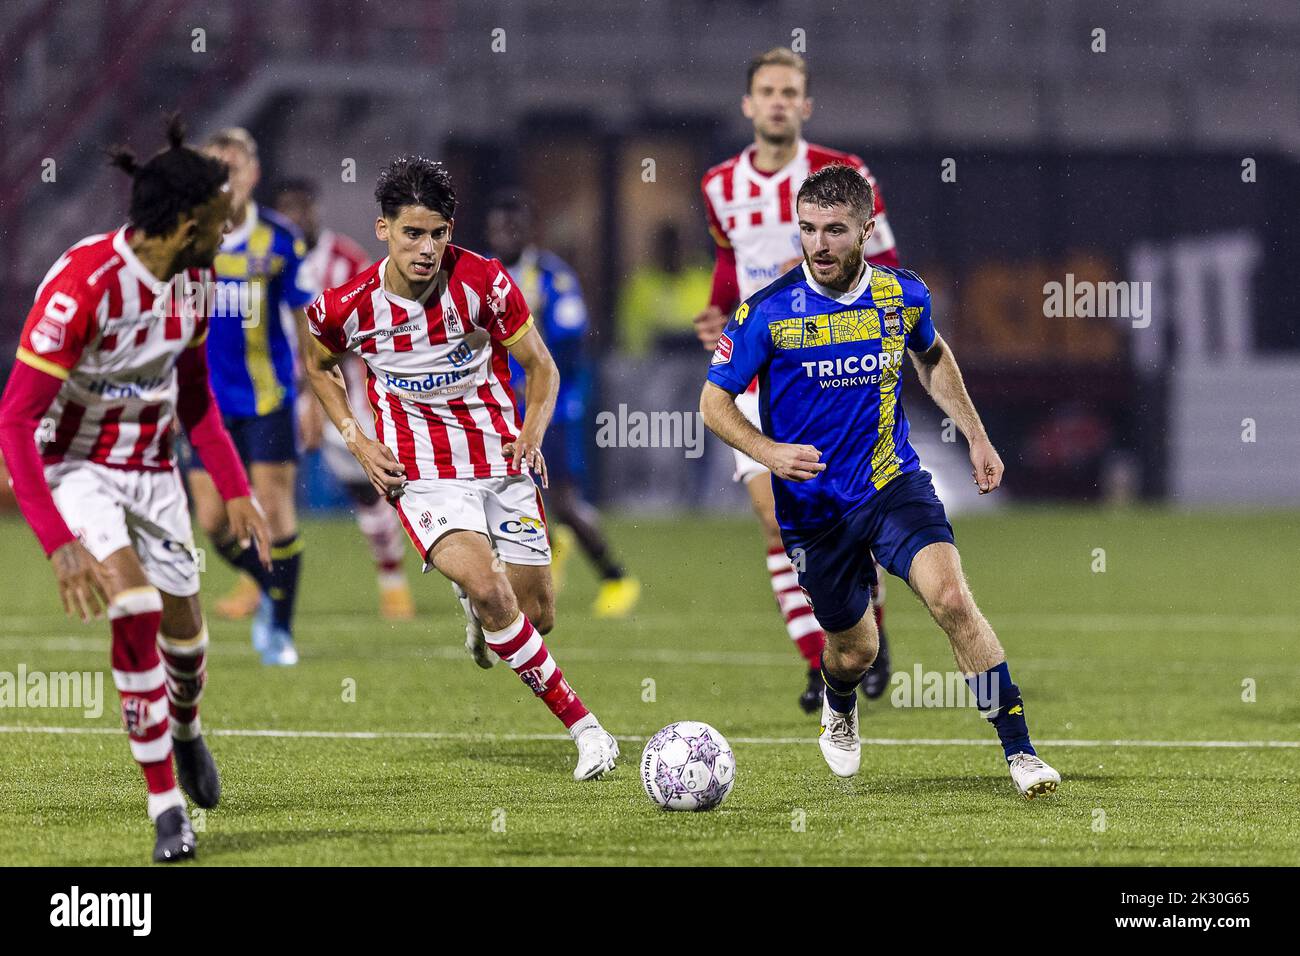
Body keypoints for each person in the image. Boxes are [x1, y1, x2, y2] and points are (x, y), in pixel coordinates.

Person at [699, 164, 1061, 798]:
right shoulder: (766, 313)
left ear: (867, 229)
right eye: (807, 229)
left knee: (951, 600)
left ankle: (1022, 754)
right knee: (855, 651)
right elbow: (713, 402)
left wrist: (976, 435)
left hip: (893, 485)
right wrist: (769, 452)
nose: (819, 245)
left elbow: (933, 355)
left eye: (835, 230)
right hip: (814, 510)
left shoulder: (903, 295)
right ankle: (840, 703)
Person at [0, 116, 273, 860]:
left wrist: (234, 485)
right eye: (219, 220)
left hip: (153, 472)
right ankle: (166, 811)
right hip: (76, 469)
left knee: (186, 643)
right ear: (187, 222)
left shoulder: (197, 281)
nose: (228, 231)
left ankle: (186, 730)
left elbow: (194, 400)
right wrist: (58, 544)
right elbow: (16, 422)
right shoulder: (83, 290)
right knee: (135, 605)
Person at [300, 156, 619, 780]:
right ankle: (589, 732)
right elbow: (317, 363)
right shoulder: (350, 305)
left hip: (500, 458)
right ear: (383, 229)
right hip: (420, 472)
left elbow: (542, 367)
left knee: (539, 614)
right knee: (492, 588)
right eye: (412, 233)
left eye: (438, 233)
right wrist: (357, 439)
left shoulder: (485, 283)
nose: (426, 248)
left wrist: (531, 434)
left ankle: (478, 609)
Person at [694, 47, 899, 713]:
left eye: (789, 91)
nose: (778, 101)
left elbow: (888, 262)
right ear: (748, 104)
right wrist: (717, 311)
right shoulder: (719, 185)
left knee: (851, 513)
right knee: (774, 521)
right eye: (766, 91)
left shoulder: (843, 176)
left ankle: (870, 630)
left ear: (805, 105)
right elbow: (730, 266)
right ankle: (820, 661)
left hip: (836, 364)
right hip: (761, 366)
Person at [186, 128, 315, 665]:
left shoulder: (281, 240)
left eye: (233, 168)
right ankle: (271, 588)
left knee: (275, 514)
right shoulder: (190, 236)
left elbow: (305, 322)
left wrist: (312, 397)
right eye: (216, 169)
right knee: (214, 522)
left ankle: (280, 630)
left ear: (253, 174)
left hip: (269, 400)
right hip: (204, 405)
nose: (225, 179)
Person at [485, 190, 640, 617]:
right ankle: (533, 563)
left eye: (514, 228)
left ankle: (616, 577)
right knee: (499, 495)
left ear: (529, 231)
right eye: (499, 228)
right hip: (498, 410)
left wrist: (536, 323)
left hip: (551, 410)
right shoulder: (482, 277)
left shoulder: (554, 278)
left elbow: (571, 341)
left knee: (565, 502)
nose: (505, 236)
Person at [272, 177, 416, 620]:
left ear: (316, 209)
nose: (295, 218)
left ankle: (393, 581)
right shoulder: (269, 258)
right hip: (277, 390)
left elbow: (377, 322)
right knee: (265, 487)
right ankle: (258, 587)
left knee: (369, 490)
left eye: (303, 207)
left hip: (342, 393)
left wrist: (319, 389)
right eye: (287, 209)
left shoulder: (347, 259)